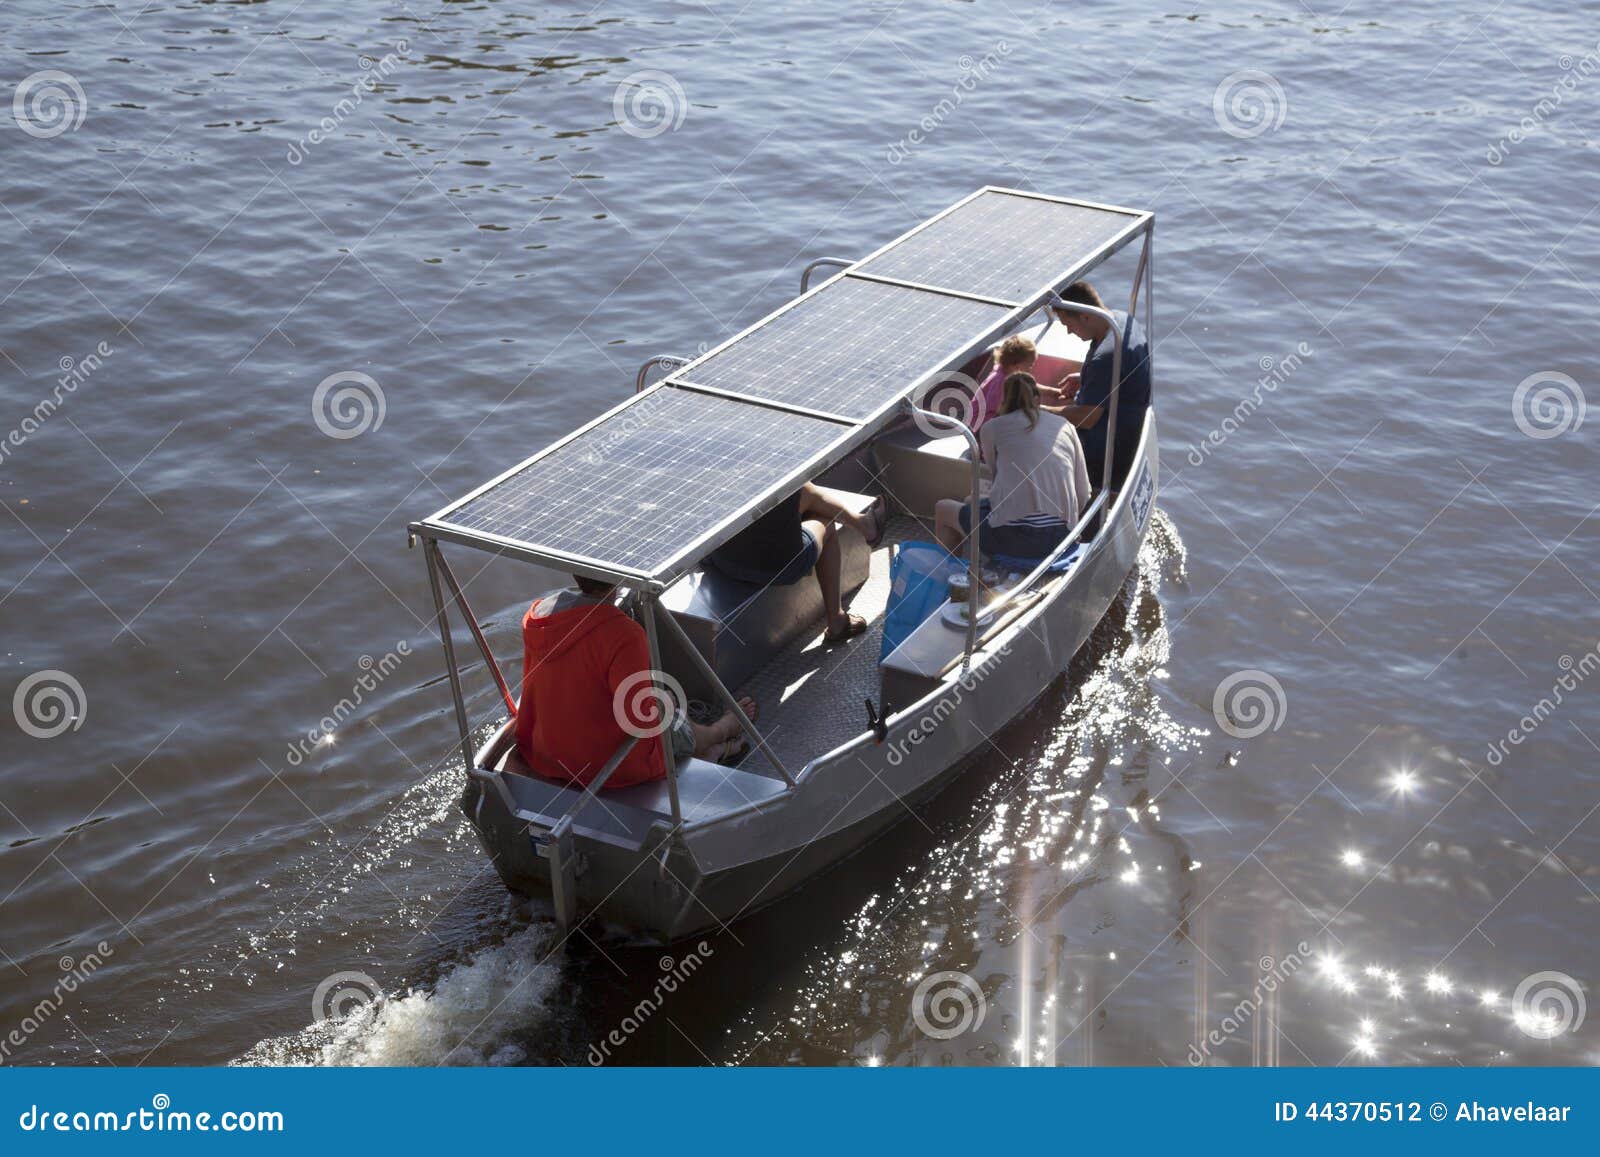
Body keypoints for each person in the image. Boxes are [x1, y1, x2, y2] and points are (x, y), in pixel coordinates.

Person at [514, 575, 758, 788]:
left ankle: (707, 752)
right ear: (620, 578)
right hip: (603, 768)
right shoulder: (623, 634)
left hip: (544, 754)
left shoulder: (538, 616)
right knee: (674, 716)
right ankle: (720, 734)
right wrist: (666, 704)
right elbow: (639, 718)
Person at [934, 372, 1090, 562]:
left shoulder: (992, 428)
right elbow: (1083, 494)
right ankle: (988, 565)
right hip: (1062, 537)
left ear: (1004, 399)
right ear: (1037, 399)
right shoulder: (1066, 426)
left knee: (943, 508)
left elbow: (997, 475)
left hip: (1017, 538)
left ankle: (951, 576)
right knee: (971, 500)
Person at [707, 481, 884, 645]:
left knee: (803, 493)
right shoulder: (785, 468)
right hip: (779, 567)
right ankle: (837, 620)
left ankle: (863, 524)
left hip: (723, 560)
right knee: (823, 516)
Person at [1039, 280, 1151, 489]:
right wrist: (1085, 377)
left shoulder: (1105, 358)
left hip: (1108, 449)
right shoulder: (1123, 321)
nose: (1069, 332)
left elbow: (1087, 418)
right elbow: (1122, 374)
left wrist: (1042, 411)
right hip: (1134, 424)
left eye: (1068, 325)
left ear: (1086, 316)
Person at [971, 334, 1037, 436]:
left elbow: (1030, 385)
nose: (1031, 368)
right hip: (981, 424)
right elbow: (998, 409)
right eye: (1030, 365)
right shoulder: (1000, 382)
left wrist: (1052, 391)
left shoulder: (1007, 370)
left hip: (990, 418)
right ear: (1017, 366)